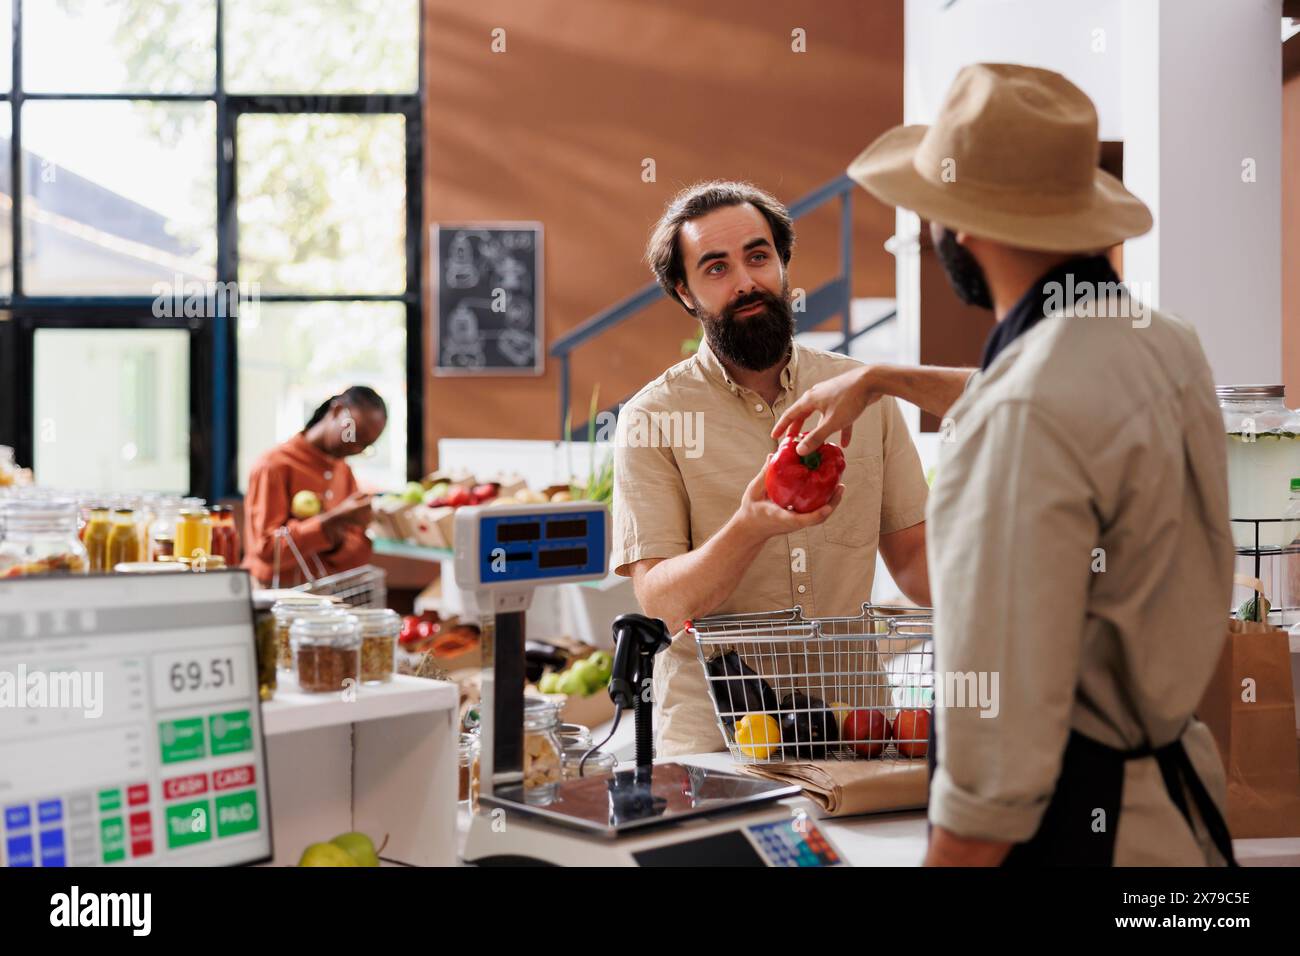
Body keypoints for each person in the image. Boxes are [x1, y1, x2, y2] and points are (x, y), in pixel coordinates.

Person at [773, 63, 1235, 866]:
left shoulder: (1022, 416)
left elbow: (994, 743)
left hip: (1070, 832)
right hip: (1175, 821)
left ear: (963, 226)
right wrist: (881, 377)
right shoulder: (1162, 342)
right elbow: (1052, 395)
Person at [612, 180, 932, 758]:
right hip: (717, 738)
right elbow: (661, 603)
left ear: (783, 265)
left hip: (853, 725)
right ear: (685, 292)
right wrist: (750, 526)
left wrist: (1027, 602)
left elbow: (914, 559)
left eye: (758, 257)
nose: (745, 282)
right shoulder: (652, 417)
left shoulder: (863, 394)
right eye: (716, 268)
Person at [242, 386, 387, 587]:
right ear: (336, 411)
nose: (355, 448)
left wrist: (334, 543)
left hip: (320, 600)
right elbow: (267, 550)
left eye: (364, 445)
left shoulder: (343, 471)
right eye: (354, 434)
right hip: (271, 594)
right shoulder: (273, 465)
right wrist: (330, 522)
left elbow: (358, 554)